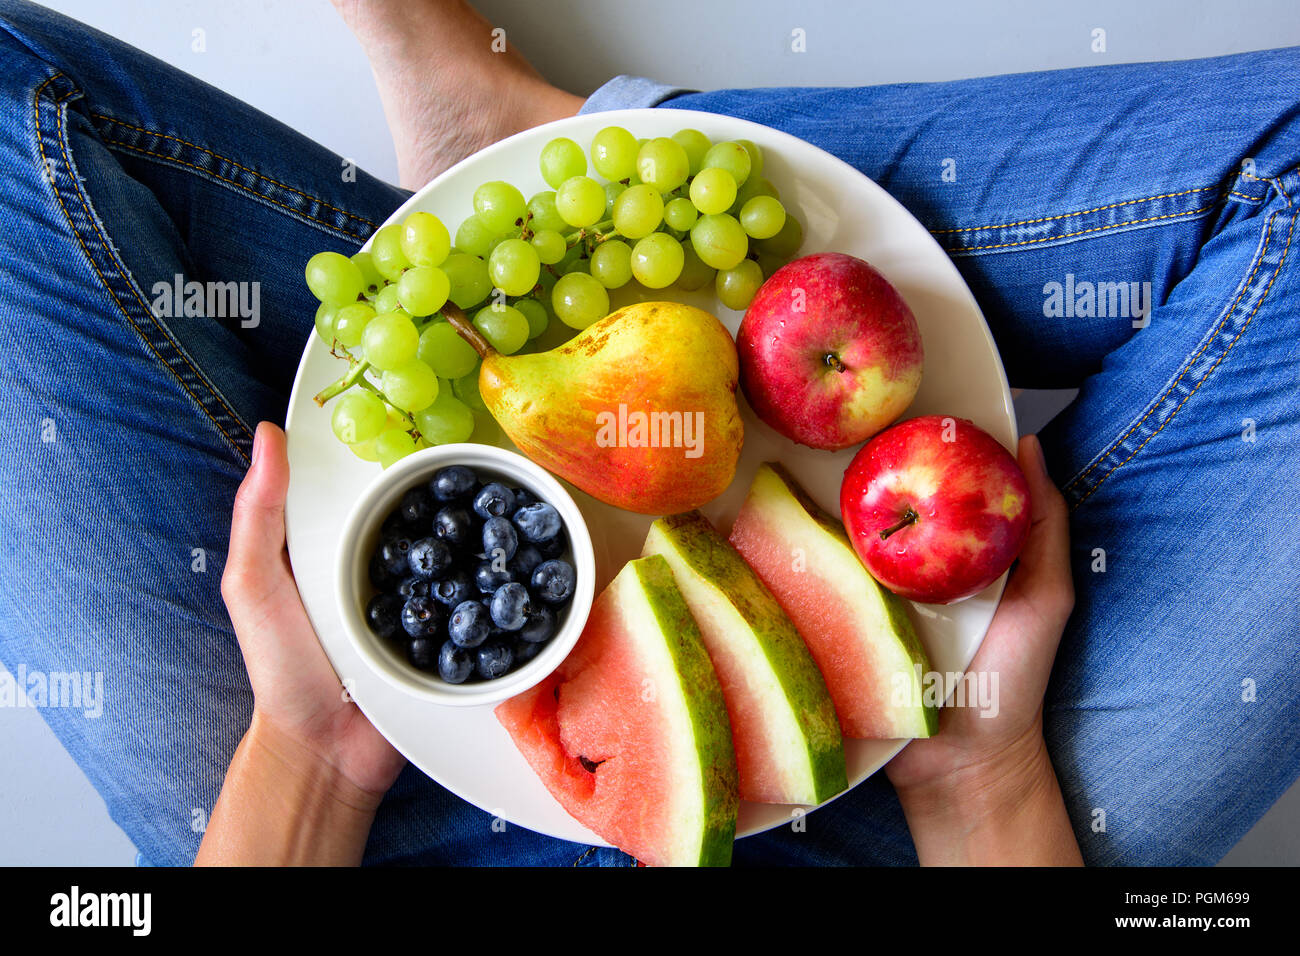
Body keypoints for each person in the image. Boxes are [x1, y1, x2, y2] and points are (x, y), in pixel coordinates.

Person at [0, 0, 1294, 866]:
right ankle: (569, 166)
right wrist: (978, 779)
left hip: (362, 817)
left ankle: (538, 203)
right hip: (890, 807)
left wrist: (312, 754)